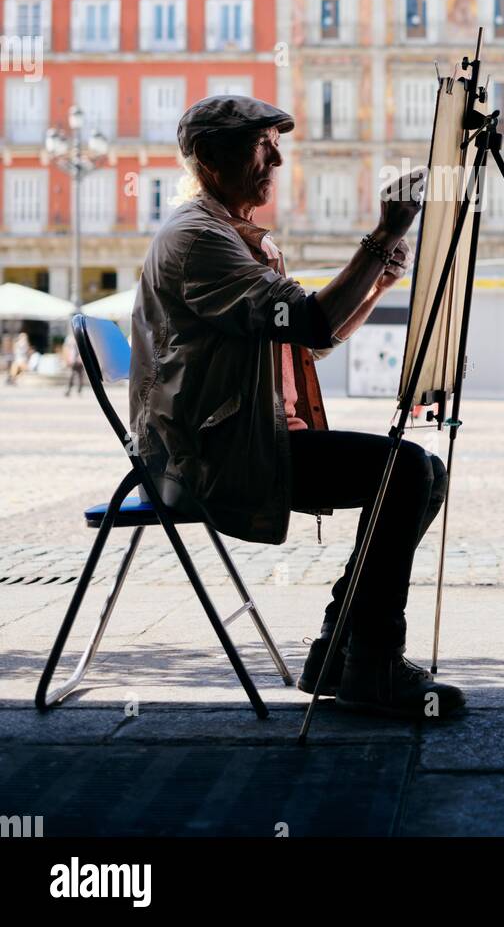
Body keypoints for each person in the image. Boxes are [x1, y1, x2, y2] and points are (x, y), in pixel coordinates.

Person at [129, 95, 464, 721]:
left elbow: (315, 336)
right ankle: (371, 663)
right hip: (209, 456)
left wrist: (379, 283)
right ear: (209, 157)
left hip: (243, 438)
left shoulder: (228, 234)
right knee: (409, 471)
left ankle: (342, 650)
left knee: (422, 472)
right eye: (262, 146)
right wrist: (385, 232)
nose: (277, 157)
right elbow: (309, 320)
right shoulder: (199, 239)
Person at [63, 331, 85, 395]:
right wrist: (67, 359)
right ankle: (68, 389)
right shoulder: (70, 338)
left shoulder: (82, 337)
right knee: (70, 375)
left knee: (80, 376)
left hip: (80, 360)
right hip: (72, 360)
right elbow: (65, 348)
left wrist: (81, 359)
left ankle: (79, 390)